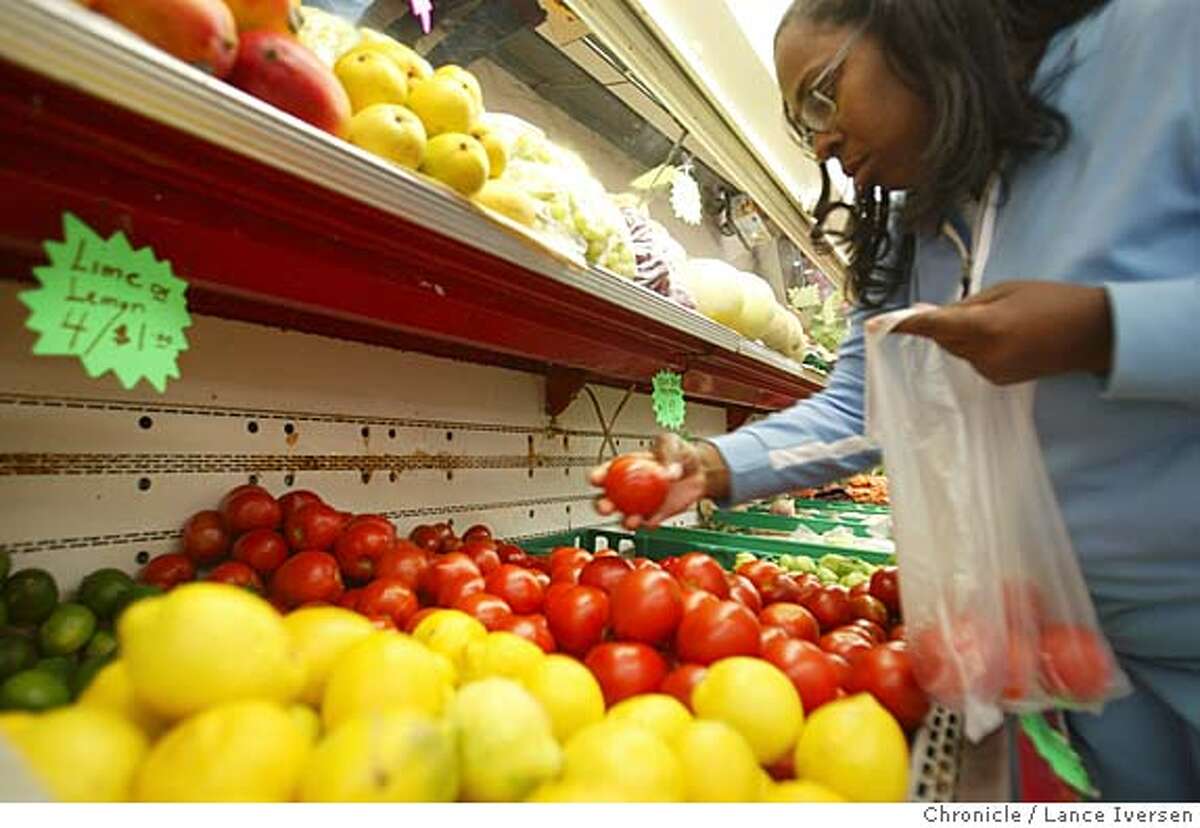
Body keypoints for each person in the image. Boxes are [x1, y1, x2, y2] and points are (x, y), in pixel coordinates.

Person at [592, 0, 1199, 802]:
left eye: (821, 96)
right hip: (1078, 652)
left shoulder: (1163, 41)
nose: (820, 141)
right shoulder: (922, 224)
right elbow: (862, 409)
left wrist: (1103, 329)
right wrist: (712, 466)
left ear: (915, 21)